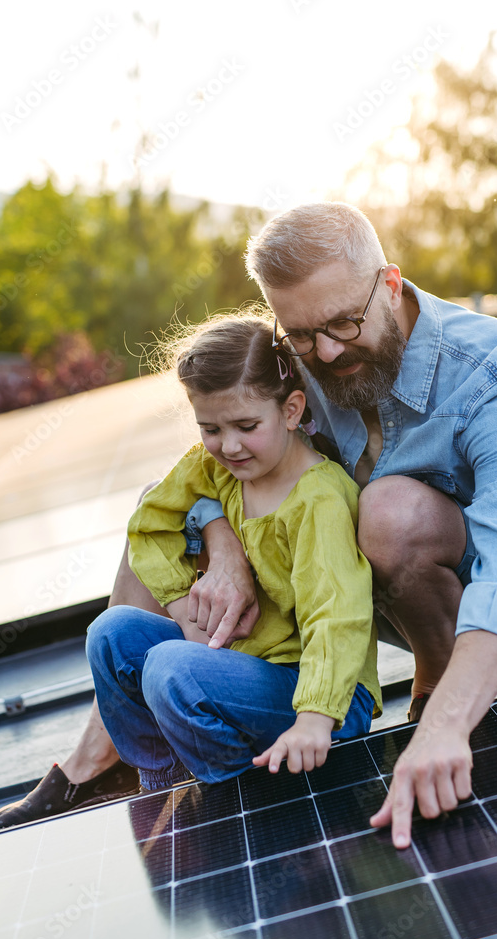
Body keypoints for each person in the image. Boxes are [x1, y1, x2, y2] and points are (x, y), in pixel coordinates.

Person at [0, 201, 497, 848]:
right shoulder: (298, 354)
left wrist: (445, 727)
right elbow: (212, 465)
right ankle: (101, 757)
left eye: (344, 324)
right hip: (346, 585)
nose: (324, 351)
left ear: (390, 284)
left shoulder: (490, 370)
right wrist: (224, 547)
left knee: (388, 511)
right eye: (300, 334)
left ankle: (438, 700)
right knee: (163, 502)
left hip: (479, 605)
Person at [85, 313, 381, 788]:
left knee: (171, 668)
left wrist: (314, 718)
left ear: (290, 410)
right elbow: (151, 523)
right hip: (243, 671)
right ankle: (162, 774)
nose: (229, 446)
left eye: (245, 425)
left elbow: (336, 614)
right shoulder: (217, 467)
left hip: (321, 697)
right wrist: (184, 610)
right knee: (111, 632)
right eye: (211, 429)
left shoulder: (317, 498)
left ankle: (238, 789)